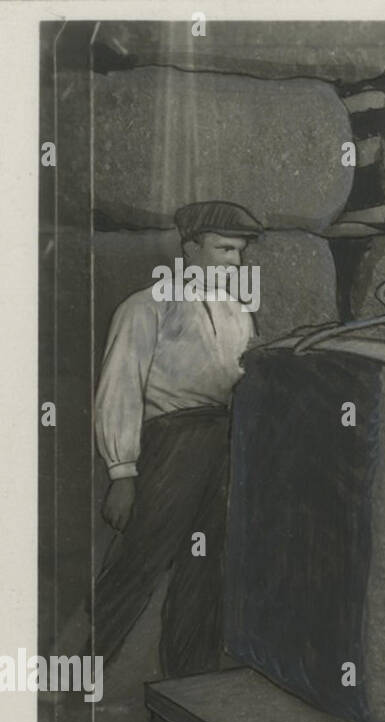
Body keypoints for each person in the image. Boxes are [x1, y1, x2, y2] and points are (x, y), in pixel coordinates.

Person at [83, 200, 263, 677]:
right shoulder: (146, 306)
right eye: (225, 249)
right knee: (139, 560)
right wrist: (122, 472)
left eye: (240, 251)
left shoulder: (238, 311)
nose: (236, 262)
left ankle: (190, 678)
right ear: (191, 247)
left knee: (206, 565)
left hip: (223, 444)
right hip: (170, 445)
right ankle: (77, 675)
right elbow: (119, 385)